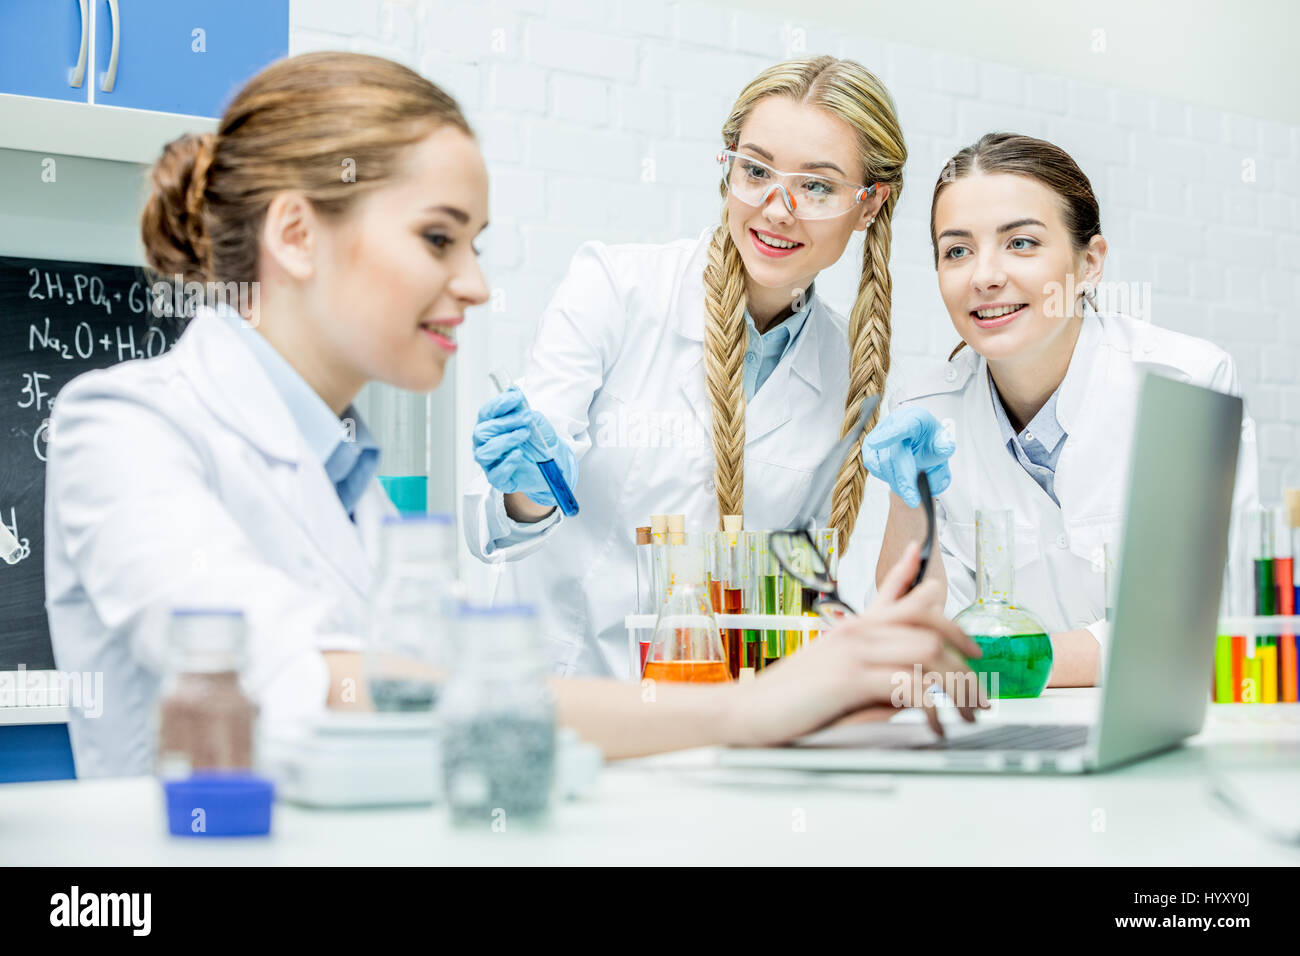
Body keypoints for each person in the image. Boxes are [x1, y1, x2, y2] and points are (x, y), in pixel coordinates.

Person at [44, 52, 981, 779]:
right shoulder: (122, 428)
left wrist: (866, 603)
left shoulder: (353, 486)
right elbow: (318, 691)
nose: (479, 285)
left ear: (868, 204)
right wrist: (737, 712)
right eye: (438, 238)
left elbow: (423, 706)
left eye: (475, 243)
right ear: (295, 234)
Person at [466, 56, 951, 677]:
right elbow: (500, 527)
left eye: (817, 186)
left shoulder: (850, 374)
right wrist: (527, 491)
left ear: (869, 205)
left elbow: (801, 586)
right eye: (756, 171)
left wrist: (914, 506)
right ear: (729, 172)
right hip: (561, 694)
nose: (778, 208)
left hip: (716, 710)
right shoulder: (616, 288)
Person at [868, 133, 1260, 686]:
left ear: (1091, 262)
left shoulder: (1189, 383)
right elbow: (907, 641)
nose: (984, 276)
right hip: (999, 747)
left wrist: (1013, 661)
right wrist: (911, 498)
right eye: (957, 250)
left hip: (1160, 738)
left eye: (1021, 243)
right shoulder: (927, 415)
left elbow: (1215, 618)